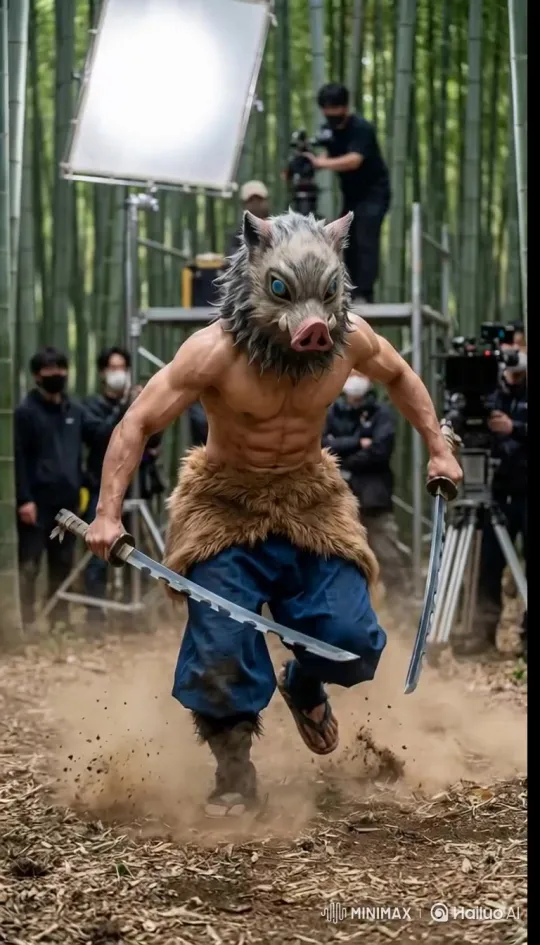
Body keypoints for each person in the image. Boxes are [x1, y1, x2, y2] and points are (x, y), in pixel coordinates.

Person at [84, 210, 462, 817]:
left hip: (311, 497)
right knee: (220, 652)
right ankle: (234, 772)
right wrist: (107, 513)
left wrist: (440, 448)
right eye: (286, 293)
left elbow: (399, 375)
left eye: (326, 296)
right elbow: (139, 421)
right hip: (224, 504)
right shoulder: (213, 353)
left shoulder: (351, 341)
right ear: (257, 270)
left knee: (351, 642)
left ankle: (305, 682)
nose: (310, 319)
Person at [82, 346, 162, 614]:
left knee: (136, 551)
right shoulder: (90, 406)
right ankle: (96, 614)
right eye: (112, 368)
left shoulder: (136, 402)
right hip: (103, 490)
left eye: (122, 368)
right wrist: (125, 409)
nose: (118, 373)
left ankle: (136, 613)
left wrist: (144, 404)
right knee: (98, 552)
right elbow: (101, 436)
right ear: (103, 373)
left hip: (136, 489)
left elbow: (155, 438)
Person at [14, 348, 84, 628]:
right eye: (48, 370)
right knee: (30, 565)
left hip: (67, 503)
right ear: (36, 376)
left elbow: (100, 435)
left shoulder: (75, 410)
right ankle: (26, 620)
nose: (55, 374)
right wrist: (24, 499)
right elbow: (17, 458)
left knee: (63, 563)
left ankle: (59, 619)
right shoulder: (25, 413)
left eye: (60, 368)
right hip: (36, 504)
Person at [322, 372, 408, 592]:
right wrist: (359, 442)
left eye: (360, 374)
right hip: (336, 499)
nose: (354, 378)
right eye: (350, 373)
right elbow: (321, 445)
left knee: (388, 554)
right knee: (337, 557)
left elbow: (380, 450)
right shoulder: (330, 412)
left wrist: (341, 454)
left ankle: (402, 607)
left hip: (374, 497)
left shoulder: (382, 413)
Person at [307, 82, 390, 303]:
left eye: (335, 108)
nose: (331, 114)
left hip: (374, 193)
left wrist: (321, 164)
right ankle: (350, 290)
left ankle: (365, 292)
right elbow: (322, 148)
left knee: (365, 238)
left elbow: (355, 160)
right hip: (351, 195)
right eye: (326, 109)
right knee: (346, 240)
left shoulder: (361, 128)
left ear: (345, 107)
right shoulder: (329, 130)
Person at [477, 350, 527, 655]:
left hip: (526, 490)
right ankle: (483, 634)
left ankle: (525, 636)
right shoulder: (488, 392)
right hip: (496, 492)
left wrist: (514, 430)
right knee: (489, 566)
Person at [225, 180, 270, 258]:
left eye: (259, 200)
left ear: (267, 202)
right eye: (251, 201)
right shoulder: (238, 236)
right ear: (244, 205)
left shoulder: (280, 230)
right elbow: (233, 256)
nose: (256, 204)